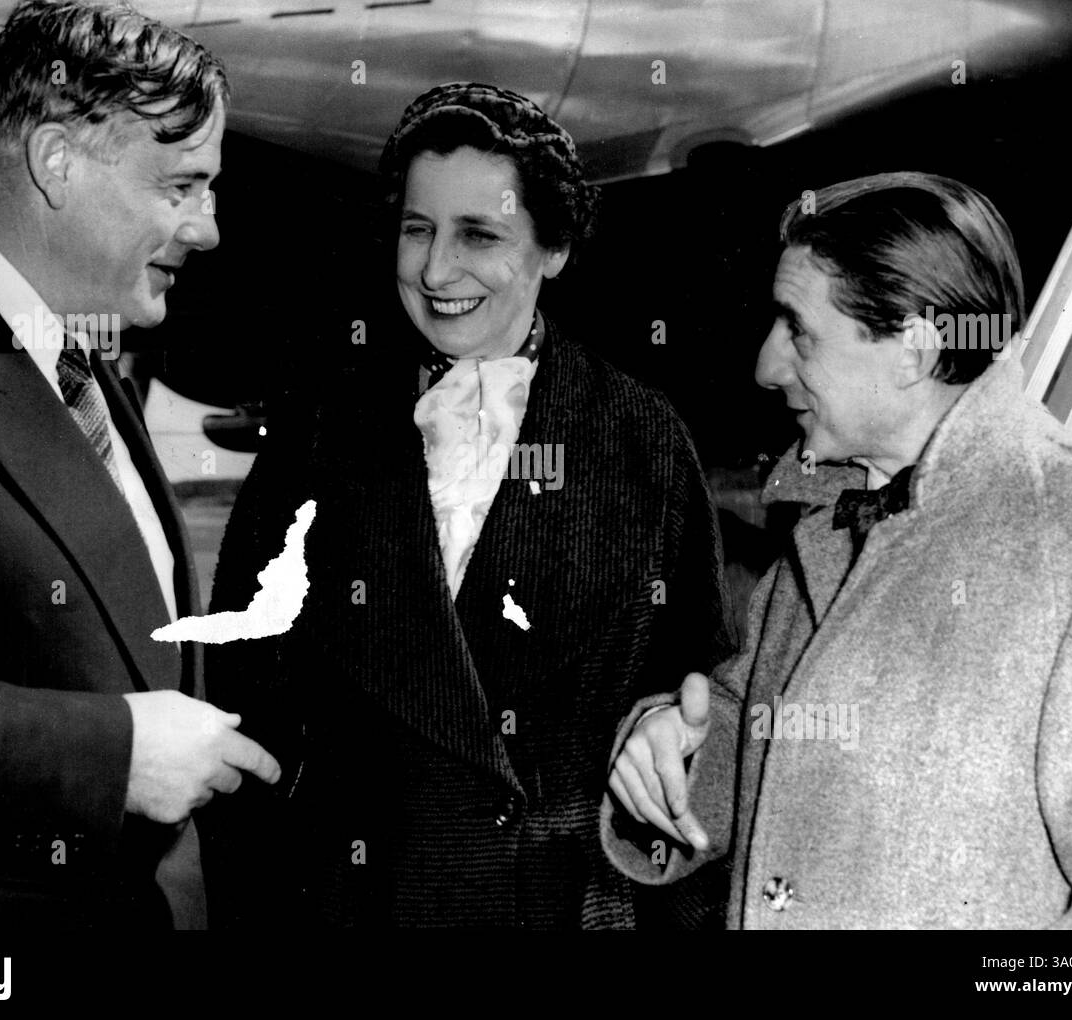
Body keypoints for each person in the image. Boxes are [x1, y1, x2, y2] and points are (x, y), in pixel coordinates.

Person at [203, 82, 736, 929]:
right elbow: (243, 704)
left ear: (555, 249)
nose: (435, 271)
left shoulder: (645, 438)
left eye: (478, 235)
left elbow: (697, 689)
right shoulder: (319, 432)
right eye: (418, 229)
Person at [603, 171, 1072, 928]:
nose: (766, 367)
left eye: (798, 329)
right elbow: (764, 732)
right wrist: (674, 750)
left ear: (914, 348)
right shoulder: (831, 519)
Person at [0, 0, 279, 930]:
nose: (207, 228)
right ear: (56, 161)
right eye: (181, 186)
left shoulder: (73, 347)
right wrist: (112, 753)